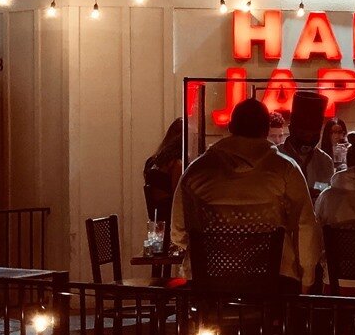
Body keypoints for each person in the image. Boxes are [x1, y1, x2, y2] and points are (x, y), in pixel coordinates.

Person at [170, 98, 321, 290]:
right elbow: (305, 226)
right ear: (267, 129)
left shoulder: (197, 171)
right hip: (274, 285)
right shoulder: (286, 169)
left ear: (230, 126)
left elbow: (178, 233)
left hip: (210, 284)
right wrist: (306, 278)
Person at [278, 92, 335, 193]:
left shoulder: (324, 160)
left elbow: (327, 188)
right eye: (303, 134)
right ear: (291, 130)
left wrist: (315, 190)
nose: (308, 140)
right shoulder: (276, 156)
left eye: (314, 135)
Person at [142, 118, 183, 221]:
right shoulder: (175, 164)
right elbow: (177, 200)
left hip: (158, 220)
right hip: (170, 221)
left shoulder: (152, 162)